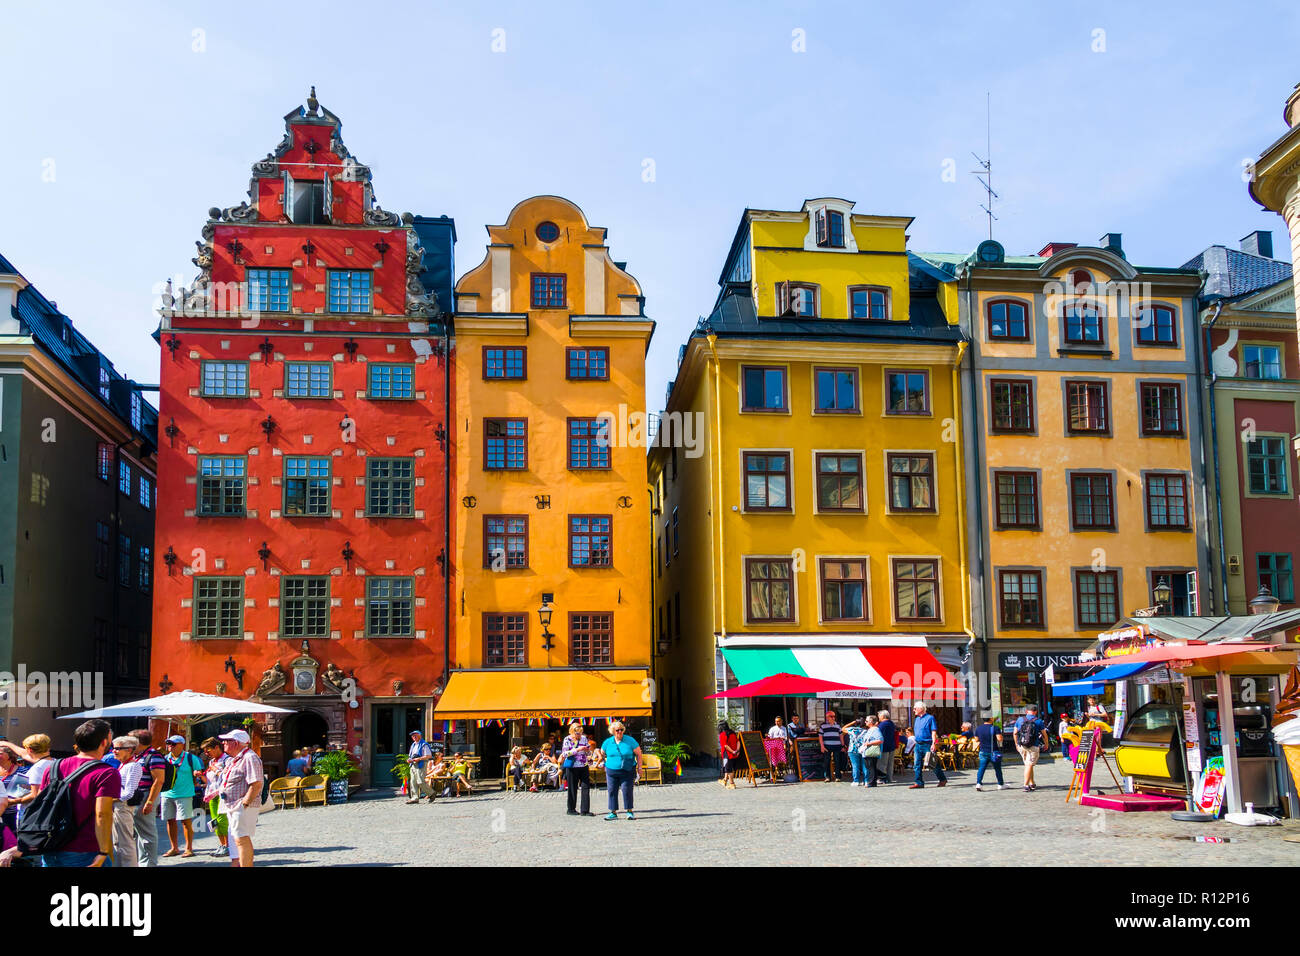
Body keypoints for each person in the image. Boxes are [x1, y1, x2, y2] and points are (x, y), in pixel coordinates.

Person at [1, 719, 119, 868]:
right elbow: (102, 813)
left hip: (52, 844)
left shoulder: (54, 767)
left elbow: (42, 806)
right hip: (86, 848)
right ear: (103, 743)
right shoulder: (106, 773)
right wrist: (103, 851)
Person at [216, 729, 263, 867]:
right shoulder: (237, 758)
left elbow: (256, 783)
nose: (223, 743)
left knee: (241, 840)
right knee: (238, 839)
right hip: (233, 805)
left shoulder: (249, 757)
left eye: (226, 740)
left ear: (235, 743)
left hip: (241, 805)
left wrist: (244, 804)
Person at [129, 729, 167, 867]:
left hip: (146, 795)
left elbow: (159, 780)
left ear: (138, 741)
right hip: (140, 795)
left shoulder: (153, 756)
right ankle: (143, 862)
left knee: (147, 833)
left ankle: (149, 863)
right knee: (139, 832)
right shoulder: (139, 755)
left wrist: (150, 801)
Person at [161, 734, 202, 858]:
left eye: (173, 744)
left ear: (181, 745)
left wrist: (197, 774)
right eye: (168, 744)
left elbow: (198, 773)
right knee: (170, 821)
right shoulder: (165, 758)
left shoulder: (190, 758)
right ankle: (174, 848)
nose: (170, 746)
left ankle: (189, 848)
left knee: (186, 821)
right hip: (167, 794)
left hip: (184, 794)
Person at [110, 737, 142, 866]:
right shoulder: (124, 765)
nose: (114, 751)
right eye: (114, 748)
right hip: (117, 806)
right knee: (118, 842)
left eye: (118, 748)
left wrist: (112, 798)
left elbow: (129, 792)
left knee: (125, 842)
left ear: (129, 750)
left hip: (122, 806)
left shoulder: (133, 766)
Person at [601, 721, 641, 820]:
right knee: (611, 791)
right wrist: (604, 763)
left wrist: (639, 768)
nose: (620, 732)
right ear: (612, 731)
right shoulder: (607, 742)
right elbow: (602, 753)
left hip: (627, 770)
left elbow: (639, 754)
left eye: (621, 730)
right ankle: (613, 812)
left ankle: (629, 811)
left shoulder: (630, 740)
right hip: (611, 771)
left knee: (627, 790)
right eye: (617, 730)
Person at [199, 737, 230, 858]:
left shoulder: (227, 759)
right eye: (205, 752)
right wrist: (201, 776)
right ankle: (222, 845)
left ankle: (228, 846)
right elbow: (209, 781)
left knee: (223, 821)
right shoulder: (212, 761)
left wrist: (216, 770)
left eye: (208, 750)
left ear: (217, 747)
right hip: (211, 794)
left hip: (223, 794)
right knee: (215, 822)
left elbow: (227, 777)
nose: (206, 754)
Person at [908, 702, 946, 789]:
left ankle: (942, 779)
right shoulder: (917, 719)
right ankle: (919, 782)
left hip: (927, 744)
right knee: (917, 764)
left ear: (921, 709)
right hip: (918, 744)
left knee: (932, 763)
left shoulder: (930, 718)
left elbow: (933, 731)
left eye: (915, 708)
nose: (914, 710)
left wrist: (933, 743)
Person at [1013, 705, 1049, 792]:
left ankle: (1032, 783)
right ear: (1036, 712)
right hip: (1034, 746)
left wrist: (1016, 745)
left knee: (1028, 764)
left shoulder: (1020, 719)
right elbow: (1044, 734)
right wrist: (1046, 744)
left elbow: (1015, 733)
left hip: (1022, 745)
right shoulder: (1039, 721)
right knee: (1029, 765)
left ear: (1026, 711)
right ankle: (1025, 785)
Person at [560, 721, 593, 815]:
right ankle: (571, 809)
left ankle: (585, 810)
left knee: (586, 787)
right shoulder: (567, 739)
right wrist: (578, 749)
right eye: (577, 733)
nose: (579, 735)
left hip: (583, 765)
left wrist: (587, 751)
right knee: (572, 788)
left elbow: (588, 752)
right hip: (572, 766)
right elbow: (565, 754)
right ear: (572, 732)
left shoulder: (584, 738)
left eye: (580, 733)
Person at [973, 716, 1006, 791]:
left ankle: (978, 783)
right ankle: (1000, 784)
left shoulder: (979, 728)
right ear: (990, 719)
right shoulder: (995, 728)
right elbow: (999, 739)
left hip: (983, 751)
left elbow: (976, 739)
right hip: (993, 751)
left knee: (981, 768)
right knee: (997, 768)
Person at [406, 730, 434, 804]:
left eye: (415, 735)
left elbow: (429, 756)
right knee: (413, 782)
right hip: (413, 765)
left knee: (420, 781)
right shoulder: (413, 745)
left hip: (421, 764)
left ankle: (431, 793)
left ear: (420, 736)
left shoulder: (424, 744)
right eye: (412, 736)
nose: (414, 737)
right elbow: (411, 756)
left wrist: (419, 758)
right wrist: (409, 760)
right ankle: (414, 798)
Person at [819, 710, 846, 782]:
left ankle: (838, 777)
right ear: (827, 717)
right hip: (827, 746)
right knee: (826, 761)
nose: (833, 718)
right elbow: (820, 737)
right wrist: (822, 746)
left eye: (834, 716)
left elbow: (841, 736)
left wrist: (843, 746)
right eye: (831, 716)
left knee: (837, 761)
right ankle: (827, 777)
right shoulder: (823, 726)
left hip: (837, 745)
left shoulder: (838, 725)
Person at [842, 717, 870, 787]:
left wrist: (853, 722)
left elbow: (843, 728)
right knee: (865, 766)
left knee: (855, 766)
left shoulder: (852, 729)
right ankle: (866, 781)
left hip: (853, 750)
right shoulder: (867, 730)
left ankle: (856, 781)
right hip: (863, 749)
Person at [717, 720, 744, 789]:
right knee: (728, 767)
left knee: (729, 769)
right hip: (734, 754)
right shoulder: (733, 732)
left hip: (728, 754)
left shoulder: (722, 734)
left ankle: (732, 784)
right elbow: (738, 742)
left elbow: (725, 746)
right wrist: (737, 751)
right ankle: (725, 780)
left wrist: (732, 751)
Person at [862, 716, 885, 787]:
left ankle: (872, 782)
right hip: (867, 751)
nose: (865, 722)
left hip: (872, 751)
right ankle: (875, 779)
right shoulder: (870, 729)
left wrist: (869, 743)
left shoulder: (876, 730)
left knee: (871, 766)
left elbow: (880, 740)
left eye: (866, 721)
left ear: (871, 722)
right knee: (869, 766)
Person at [877, 711, 897, 784]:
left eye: (879, 715)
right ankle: (889, 778)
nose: (878, 717)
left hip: (884, 746)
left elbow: (878, 734)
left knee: (882, 764)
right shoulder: (891, 723)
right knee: (890, 764)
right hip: (891, 745)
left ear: (883, 716)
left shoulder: (882, 725)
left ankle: (882, 778)